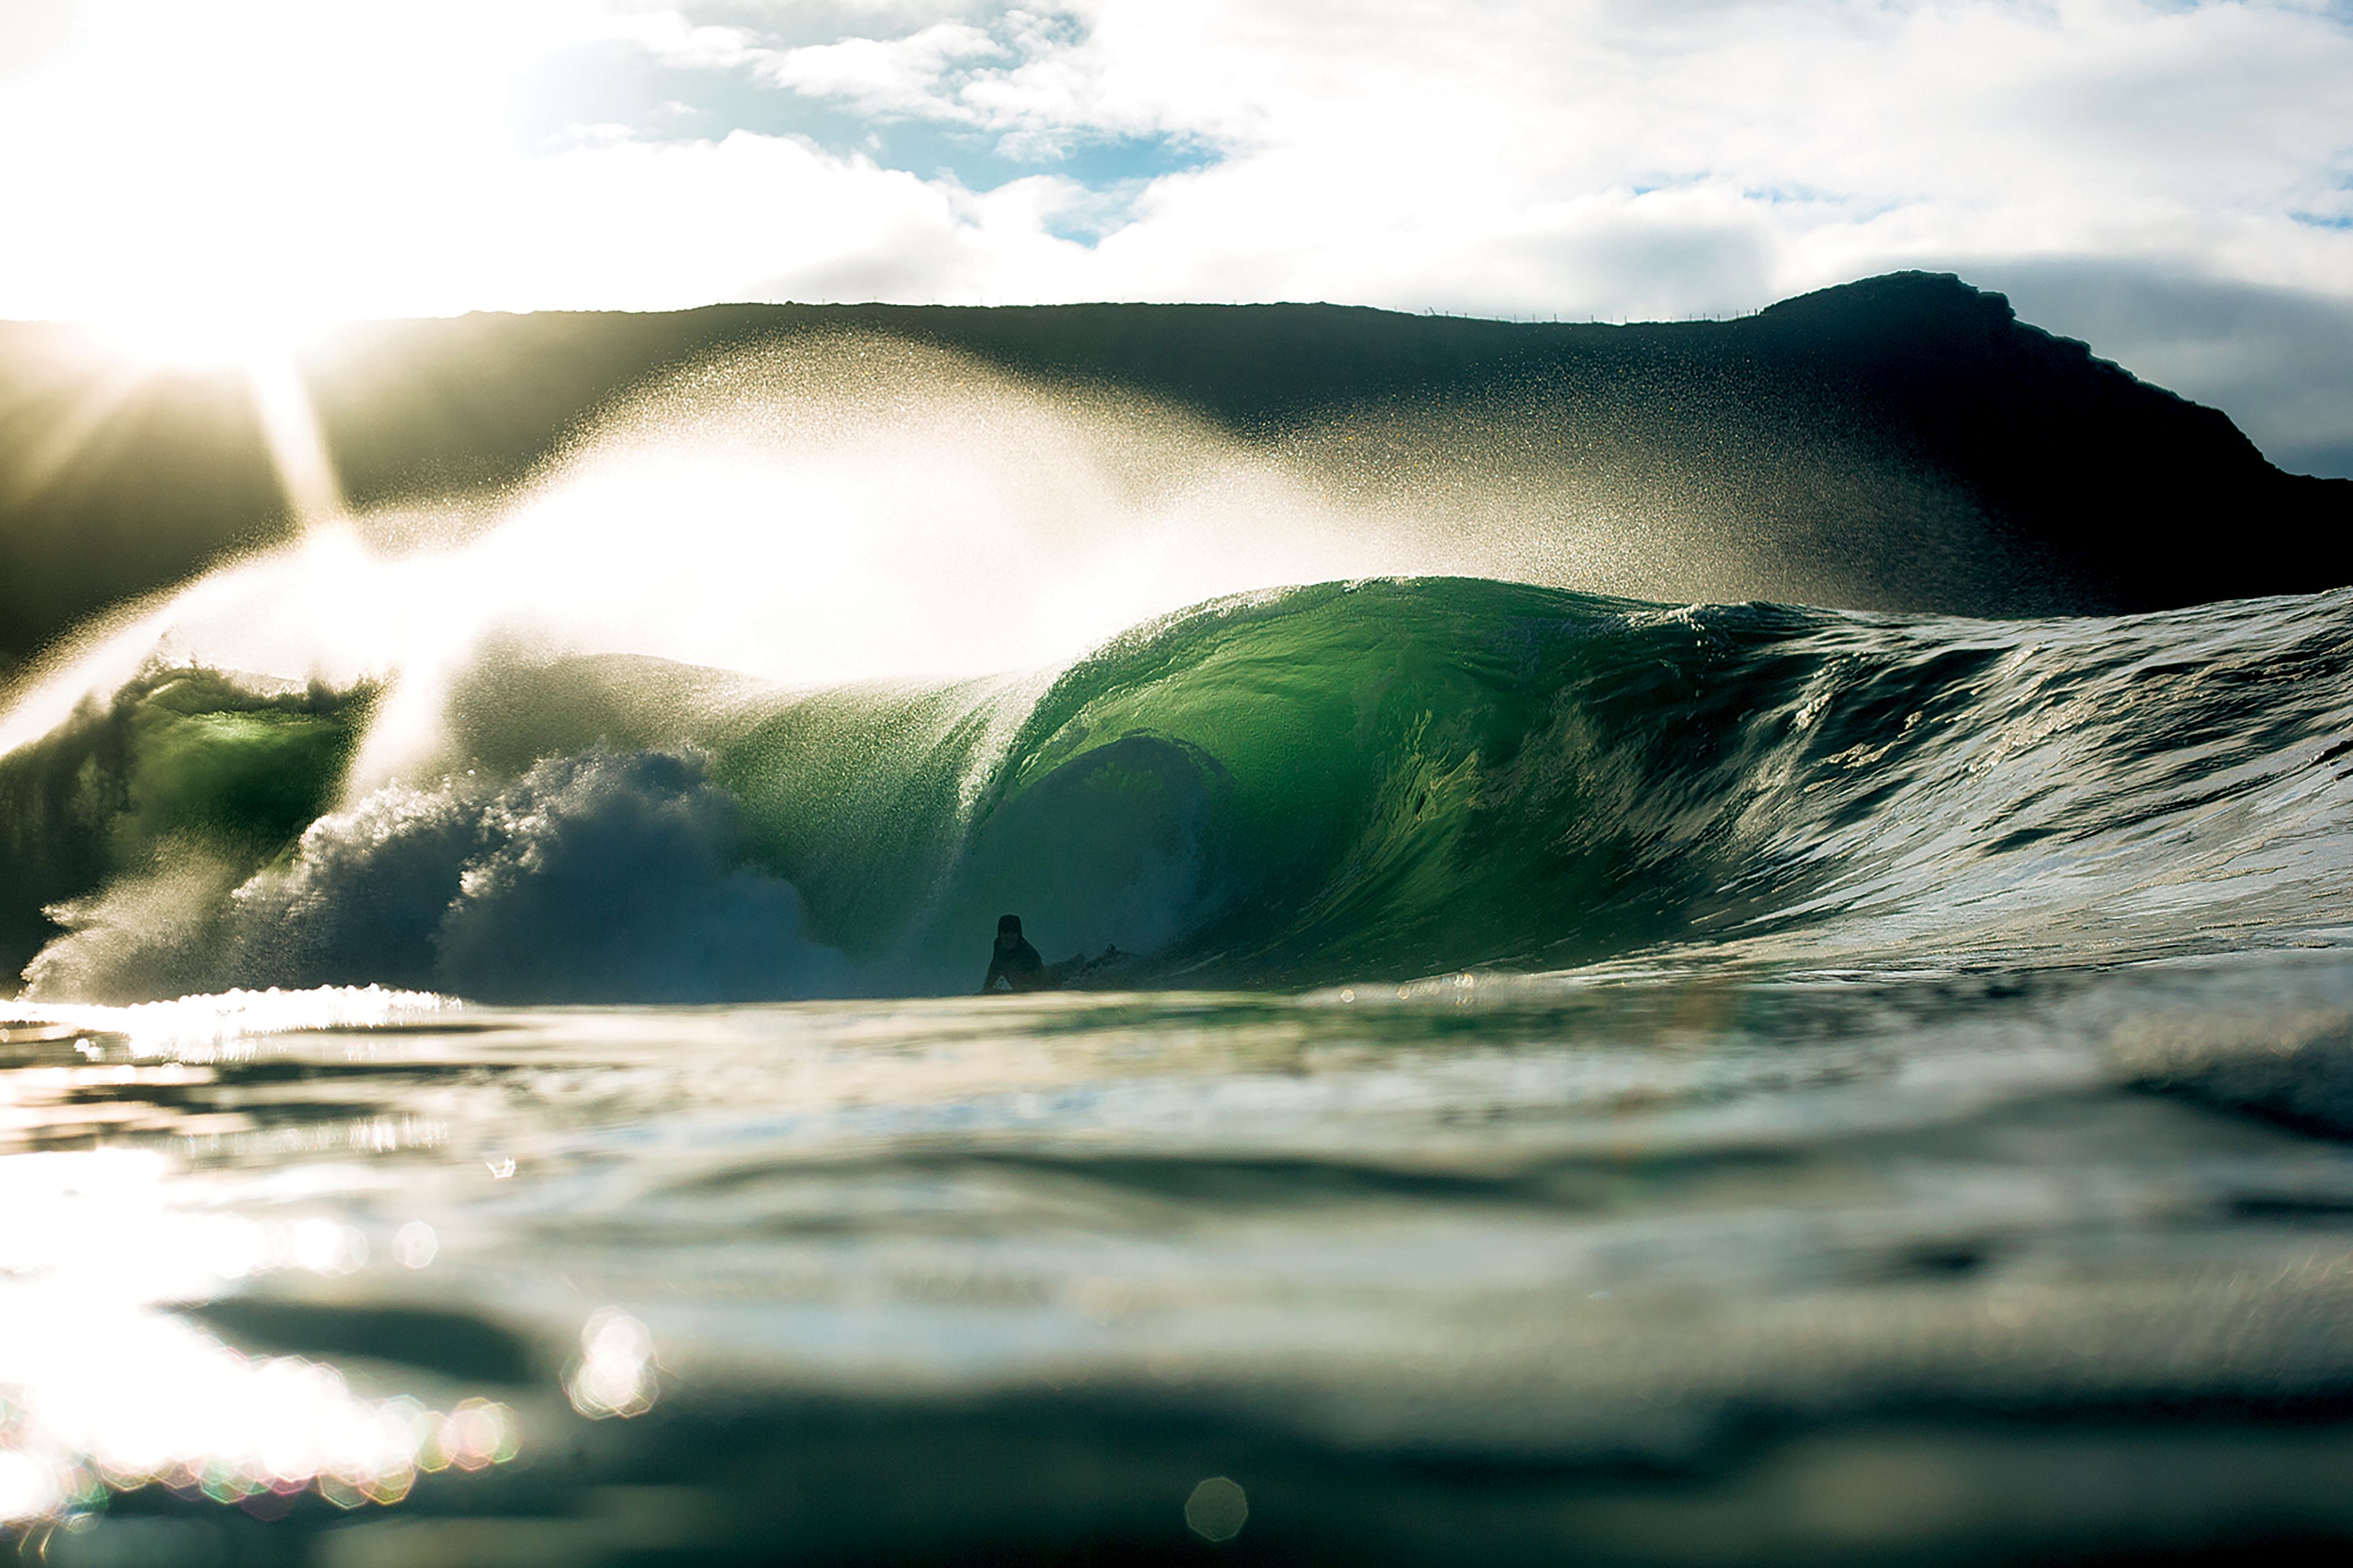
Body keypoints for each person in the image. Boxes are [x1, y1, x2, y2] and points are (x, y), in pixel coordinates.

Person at [979, 913, 1047, 994]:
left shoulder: (1028, 955)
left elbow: (1036, 986)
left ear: (1019, 935)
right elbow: (993, 972)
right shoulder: (999, 948)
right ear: (1000, 935)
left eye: (1013, 932)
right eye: (1005, 932)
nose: (1009, 936)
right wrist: (985, 991)